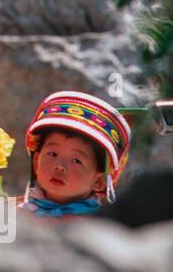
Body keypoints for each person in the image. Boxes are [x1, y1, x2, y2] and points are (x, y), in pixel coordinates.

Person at [18, 90, 131, 218]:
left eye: (76, 160)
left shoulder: (100, 224)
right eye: (52, 154)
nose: (59, 166)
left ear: (100, 180)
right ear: (36, 161)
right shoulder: (17, 215)